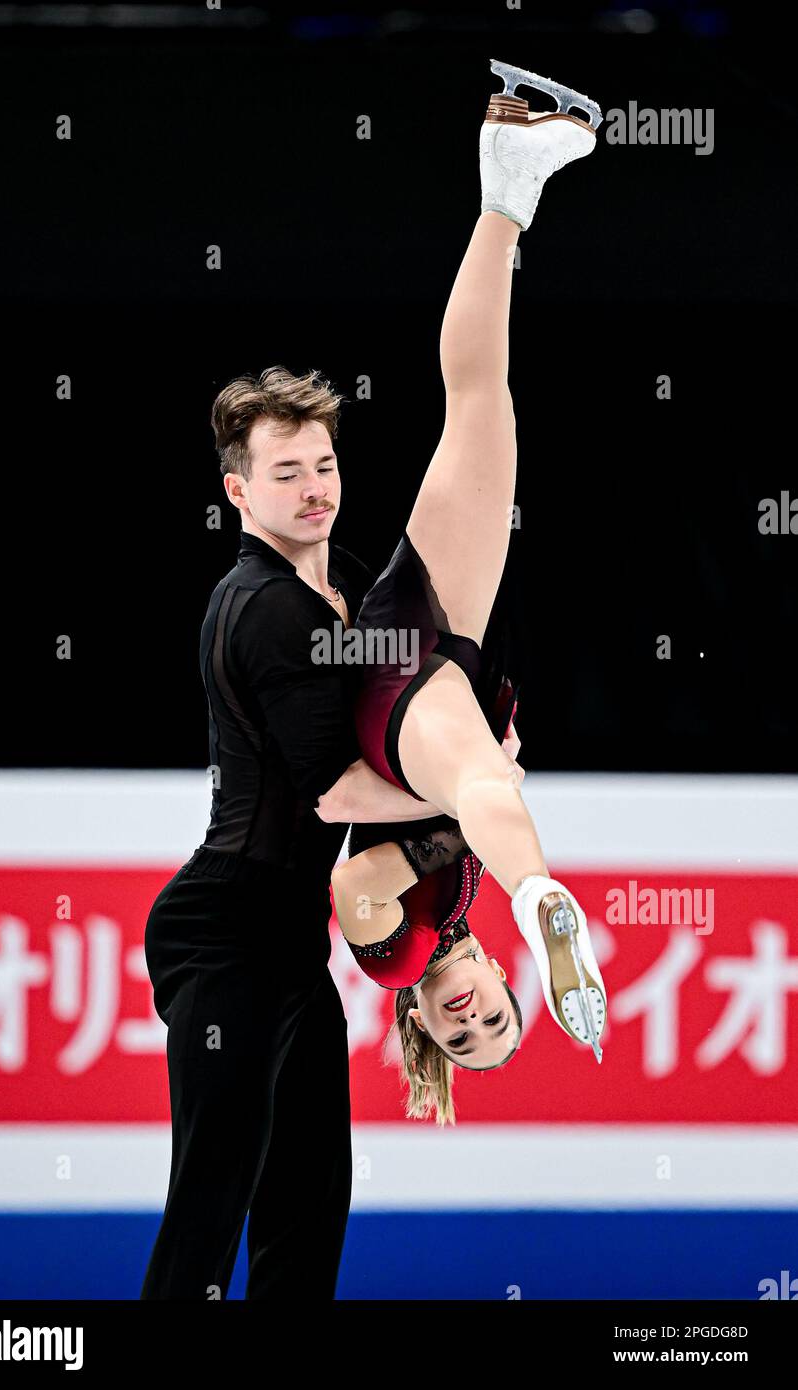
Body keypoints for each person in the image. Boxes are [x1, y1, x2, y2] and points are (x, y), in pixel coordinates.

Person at [318, 60, 610, 1125]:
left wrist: (425, 811)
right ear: (495, 982)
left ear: (421, 1029)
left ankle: (546, 901)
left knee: (491, 790)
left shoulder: (392, 962)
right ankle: (509, 176)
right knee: (480, 407)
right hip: (441, 655)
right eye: (494, 1017)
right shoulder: (452, 914)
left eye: (458, 1031)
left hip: (398, 705)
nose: (467, 1016)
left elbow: (349, 876)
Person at [140, 365, 448, 1300]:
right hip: (223, 926)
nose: (315, 488)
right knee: (214, 1188)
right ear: (237, 490)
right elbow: (339, 792)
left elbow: (408, 690)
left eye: (324, 464)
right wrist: (469, 795)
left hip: (283, 939)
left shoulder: (344, 587)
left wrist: (470, 727)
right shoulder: (267, 606)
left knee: (309, 1197)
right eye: (287, 473)